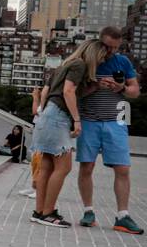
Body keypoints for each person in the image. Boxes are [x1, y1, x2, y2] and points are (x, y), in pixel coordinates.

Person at [28, 39, 108, 227]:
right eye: (101, 57)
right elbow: (68, 91)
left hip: (47, 115)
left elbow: (48, 92)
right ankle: (48, 213)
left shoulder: (64, 65)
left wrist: (94, 87)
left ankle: (39, 211)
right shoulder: (80, 64)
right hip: (58, 117)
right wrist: (77, 120)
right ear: (93, 54)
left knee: (47, 167)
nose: (102, 61)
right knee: (63, 167)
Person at [76, 27, 143, 234]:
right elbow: (74, 91)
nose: (111, 51)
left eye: (116, 47)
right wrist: (95, 85)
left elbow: (135, 92)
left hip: (118, 120)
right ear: (99, 42)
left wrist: (120, 88)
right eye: (108, 47)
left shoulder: (123, 61)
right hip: (89, 120)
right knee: (86, 166)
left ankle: (122, 215)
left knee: (123, 169)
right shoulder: (86, 61)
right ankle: (88, 211)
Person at [18, 81, 49, 198]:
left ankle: (39, 189)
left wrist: (35, 98)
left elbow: (35, 111)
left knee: (40, 161)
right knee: (35, 160)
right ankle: (34, 186)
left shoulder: (46, 103)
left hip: (43, 132)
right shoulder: (43, 103)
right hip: (38, 130)